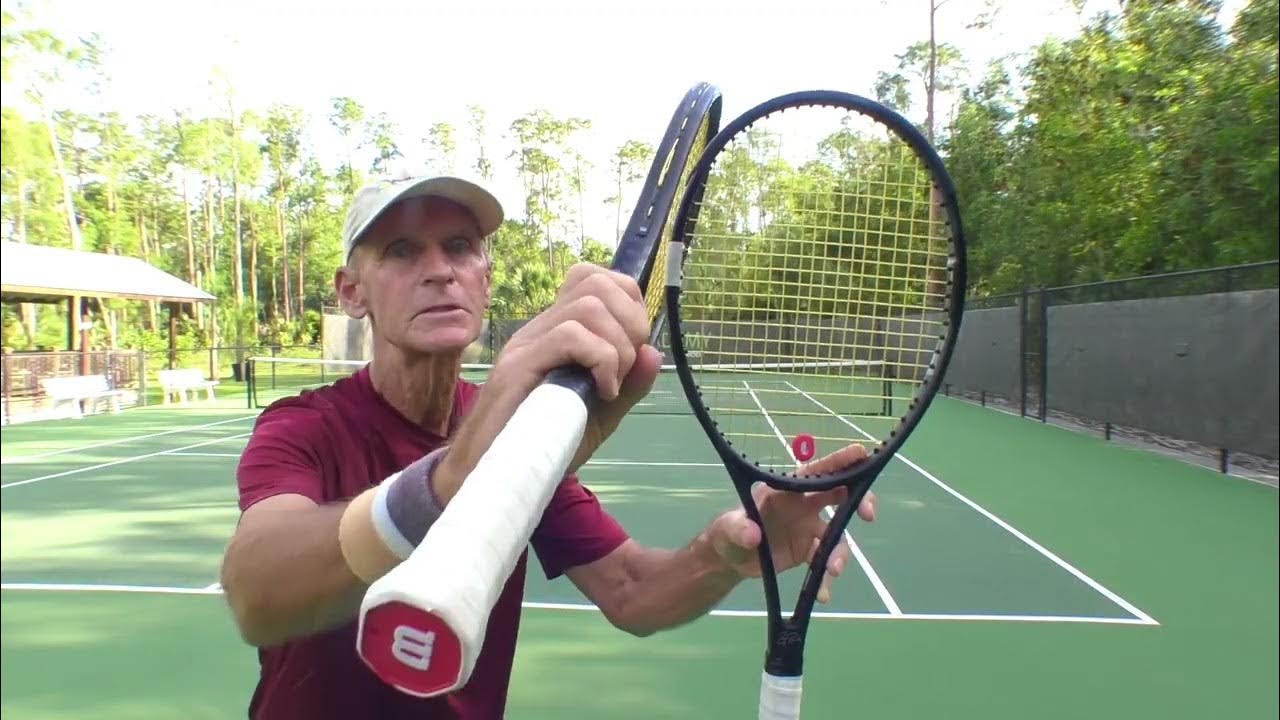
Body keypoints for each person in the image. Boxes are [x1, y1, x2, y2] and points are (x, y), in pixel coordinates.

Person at [219, 174, 878, 719]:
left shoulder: (521, 431)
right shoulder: (305, 425)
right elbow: (256, 593)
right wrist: (456, 476)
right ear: (350, 292)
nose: (439, 271)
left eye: (459, 246)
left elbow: (629, 589)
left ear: (485, 275)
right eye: (400, 251)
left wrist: (727, 552)